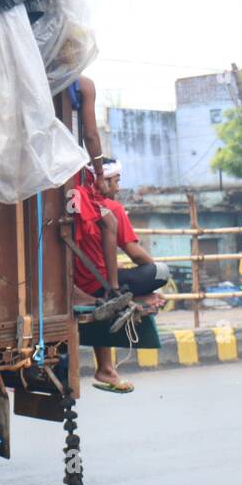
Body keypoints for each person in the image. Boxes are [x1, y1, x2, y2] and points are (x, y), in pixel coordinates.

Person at [72, 158, 167, 394]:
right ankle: (143, 298)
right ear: (102, 182)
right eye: (115, 181)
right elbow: (135, 252)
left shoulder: (78, 202)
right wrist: (152, 278)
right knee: (160, 272)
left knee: (109, 297)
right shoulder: (111, 209)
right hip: (102, 284)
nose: (118, 187)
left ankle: (106, 367)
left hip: (80, 283)